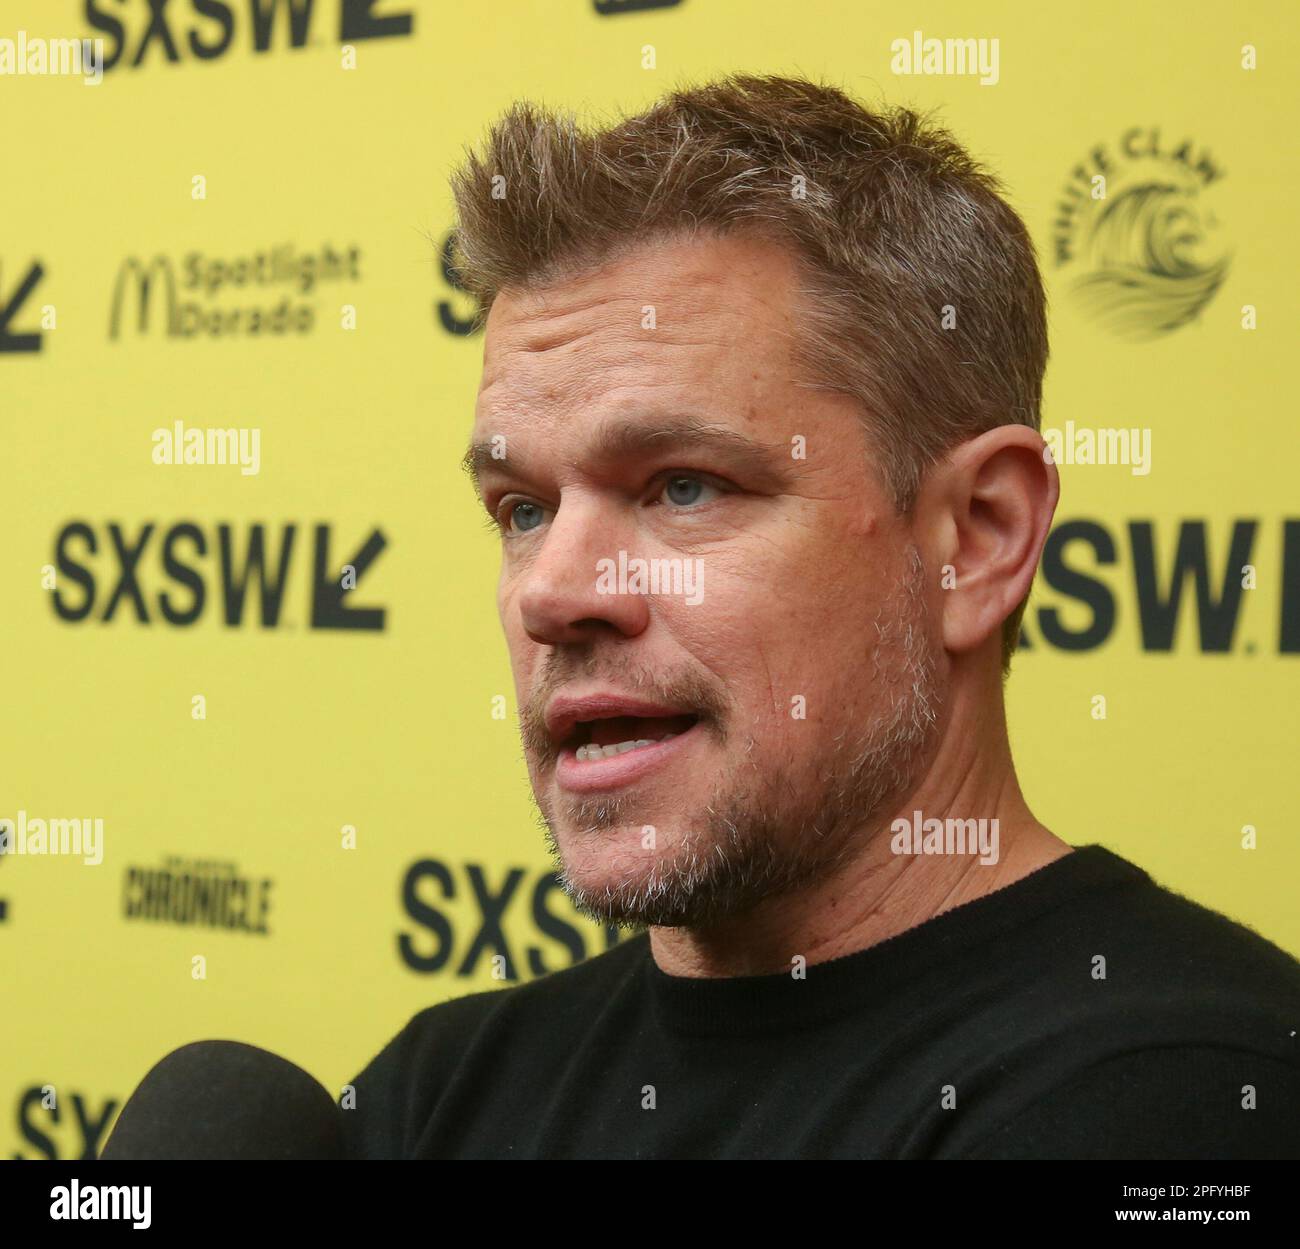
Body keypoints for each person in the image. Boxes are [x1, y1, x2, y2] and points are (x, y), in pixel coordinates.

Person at [342, 75, 1300, 1159]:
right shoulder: (437, 1093)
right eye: (522, 509)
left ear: (978, 537)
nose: (552, 593)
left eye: (682, 486)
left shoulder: (1187, 1099)